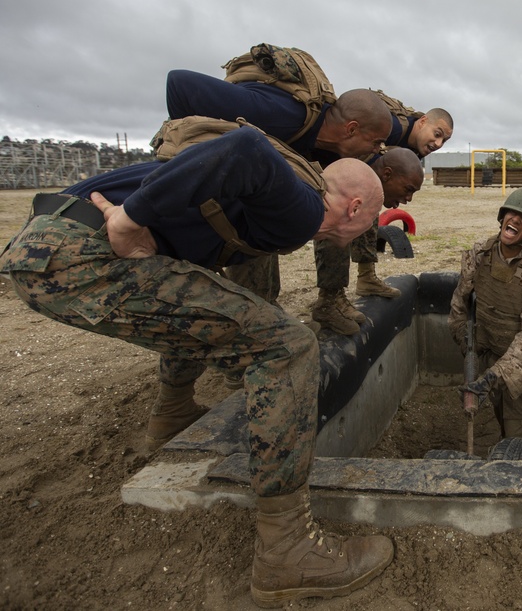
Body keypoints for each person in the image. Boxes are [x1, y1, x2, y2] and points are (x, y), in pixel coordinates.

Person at [0, 126, 393, 606]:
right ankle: (287, 548)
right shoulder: (307, 206)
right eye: (368, 224)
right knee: (289, 347)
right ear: (355, 208)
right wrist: (129, 219)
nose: (360, 235)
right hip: (82, 255)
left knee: (202, 293)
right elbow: (245, 146)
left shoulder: (279, 196)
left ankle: (172, 416)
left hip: (42, 244)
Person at [165, 69, 392, 315]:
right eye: (375, 142)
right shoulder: (280, 113)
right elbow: (179, 83)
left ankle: (264, 308)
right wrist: (183, 160)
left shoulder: (328, 149)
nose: (377, 150)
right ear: (351, 129)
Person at [312, 99, 454, 333]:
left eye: (444, 140)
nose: (438, 144)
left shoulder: (413, 149)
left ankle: (366, 277)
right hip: (321, 165)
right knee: (343, 218)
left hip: (354, 173)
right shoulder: (392, 129)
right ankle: (329, 299)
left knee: (367, 207)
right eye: (437, 134)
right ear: (422, 122)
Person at [447, 189, 522, 440]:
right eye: (512, 213)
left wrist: (491, 378)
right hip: (490, 353)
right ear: (502, 217)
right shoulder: (481, 253)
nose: (515, 220)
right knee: (499, 412)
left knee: (517, 429)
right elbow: (460, 302)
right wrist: (465, 342)